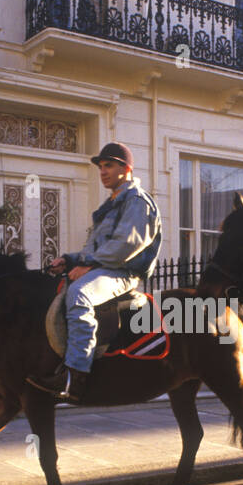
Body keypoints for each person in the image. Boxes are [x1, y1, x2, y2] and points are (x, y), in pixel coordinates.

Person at [26, 141, 162, 402]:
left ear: (127, 168)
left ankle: (75, 376)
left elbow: (127, 244)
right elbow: (97, 247)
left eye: (108, 165)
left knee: (79, 294)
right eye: (101, 167)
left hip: (123, 273)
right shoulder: (111, 204)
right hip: (106, 267)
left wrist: (90, 264)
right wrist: (68, 260)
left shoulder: (137, 200)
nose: (102, 172)